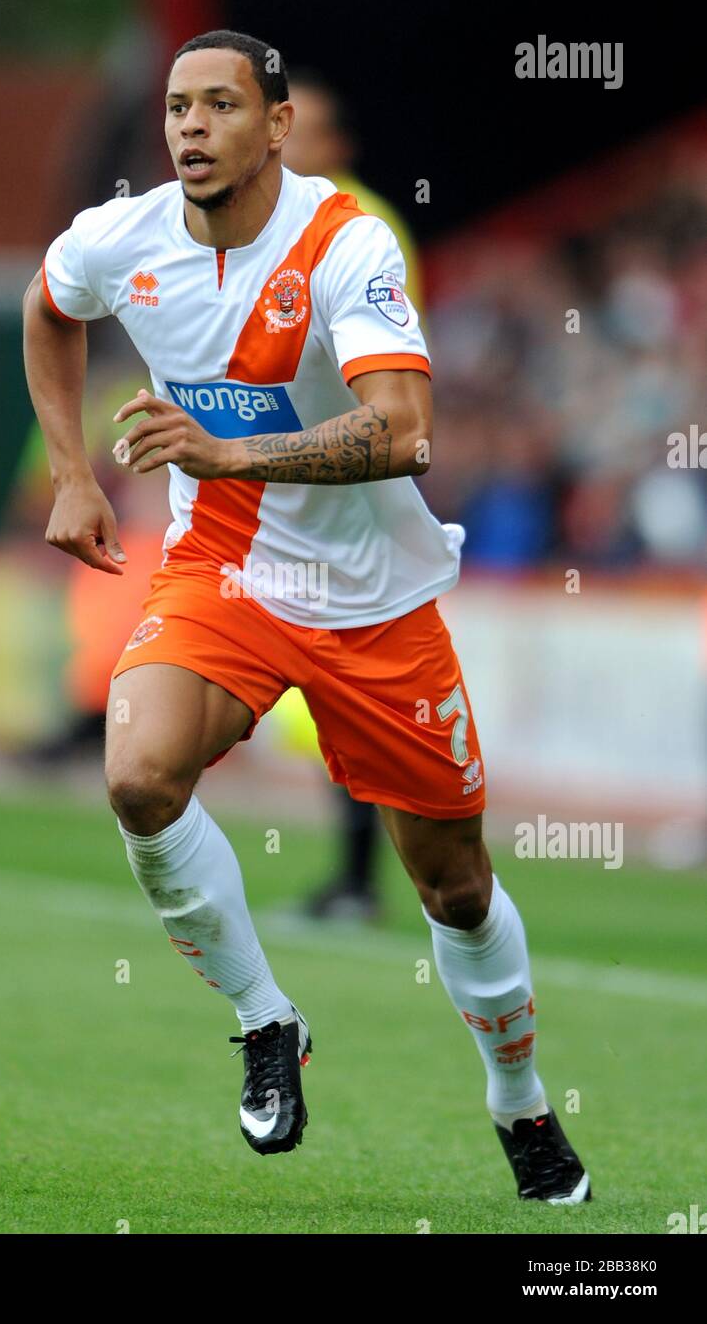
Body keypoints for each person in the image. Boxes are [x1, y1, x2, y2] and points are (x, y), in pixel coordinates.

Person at [22, 29, 591, 1203]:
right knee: (136, 776)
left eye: (220, 105)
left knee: (455, 888)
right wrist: (75, 471)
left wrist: (226, 449)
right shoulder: (117, 241)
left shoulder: (347, 242)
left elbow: (402, 429)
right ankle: (264, 1019)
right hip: (223, 573)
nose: (189, 125)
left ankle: (518, 1103)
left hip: (371, 598)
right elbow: (46, 306)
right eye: (178, 106)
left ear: (275, 127)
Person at [279, 69, 427, 922]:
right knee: (329, 704)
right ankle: (356, 880)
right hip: (297, 489)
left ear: (333, 143)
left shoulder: (364, 228)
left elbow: (393, 382)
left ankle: (368, 883)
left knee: (359, 696)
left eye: (304, 130)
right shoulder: (276, 223)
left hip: (355, 484)